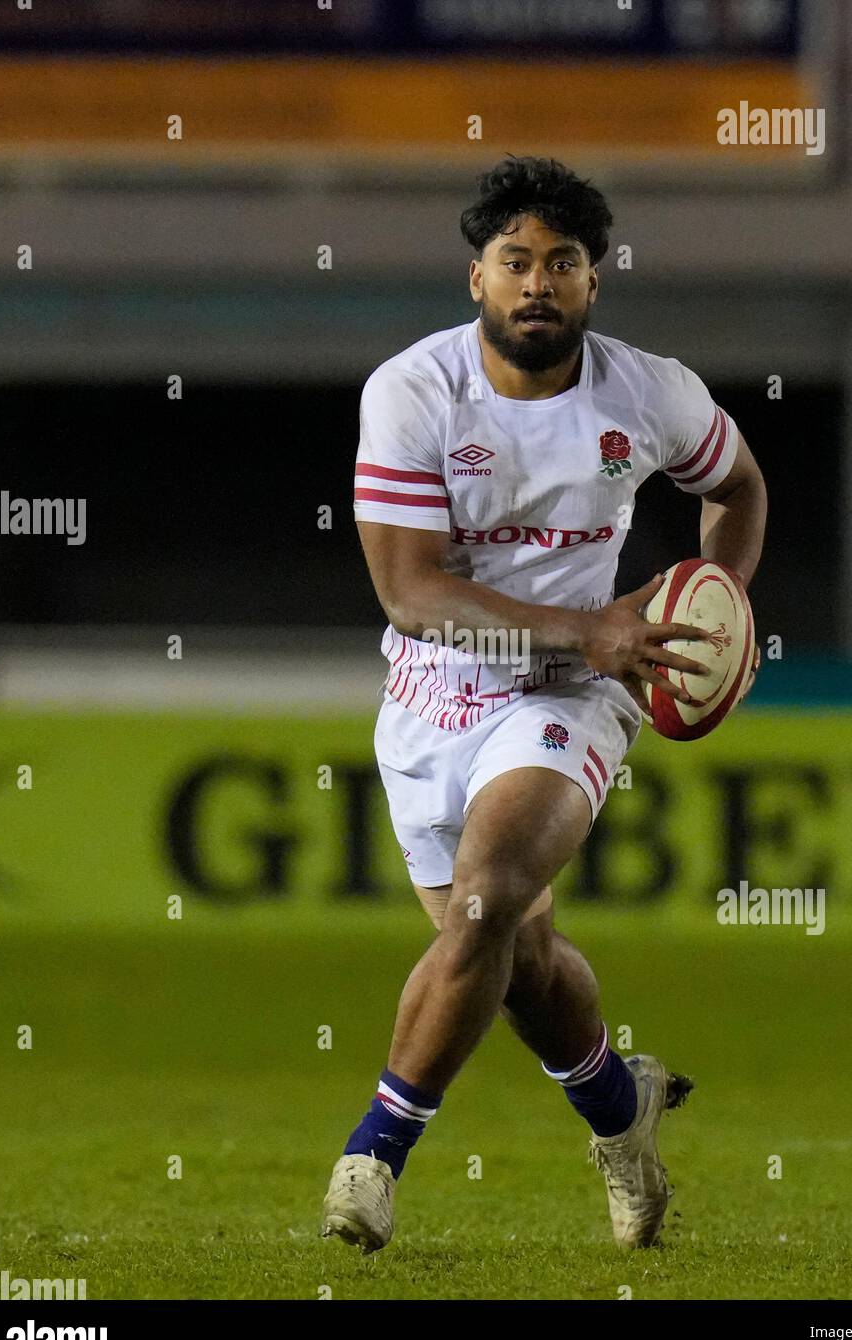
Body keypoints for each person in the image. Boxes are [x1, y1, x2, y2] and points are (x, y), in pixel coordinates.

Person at [321, 155, 767, 1253]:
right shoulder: (413, 391)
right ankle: (622, 1108)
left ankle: (373, 1153)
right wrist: (596, 626)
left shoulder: (649, 391)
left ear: (591, 284)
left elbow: (737, 485)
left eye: (560, 263)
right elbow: (410, 593)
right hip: (434, 686)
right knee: (515, 961)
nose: (536, 283)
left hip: (574, 696)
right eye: (513, 261)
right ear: (476, 278)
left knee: (486, 896)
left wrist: (719, 612)